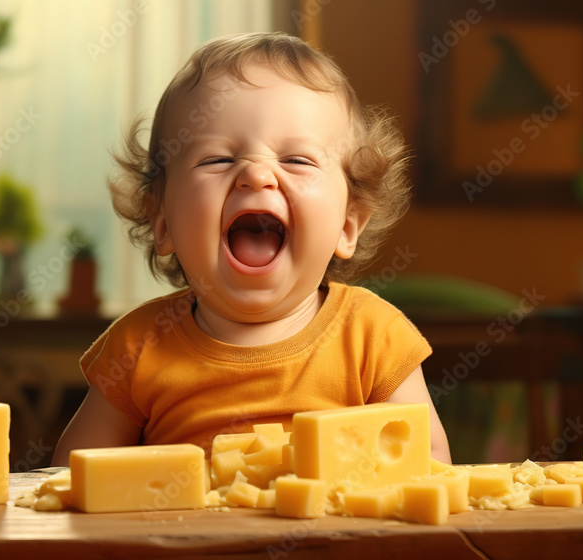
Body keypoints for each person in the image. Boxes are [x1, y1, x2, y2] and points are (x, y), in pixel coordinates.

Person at [53, 32, 451, 466]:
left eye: (297, 160)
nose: (257, 175)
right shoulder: (137, 346)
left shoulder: (374, 337)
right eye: (217, 160)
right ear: (162, 221)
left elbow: (427, 463)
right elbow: (72, 474)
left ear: (347, 225)